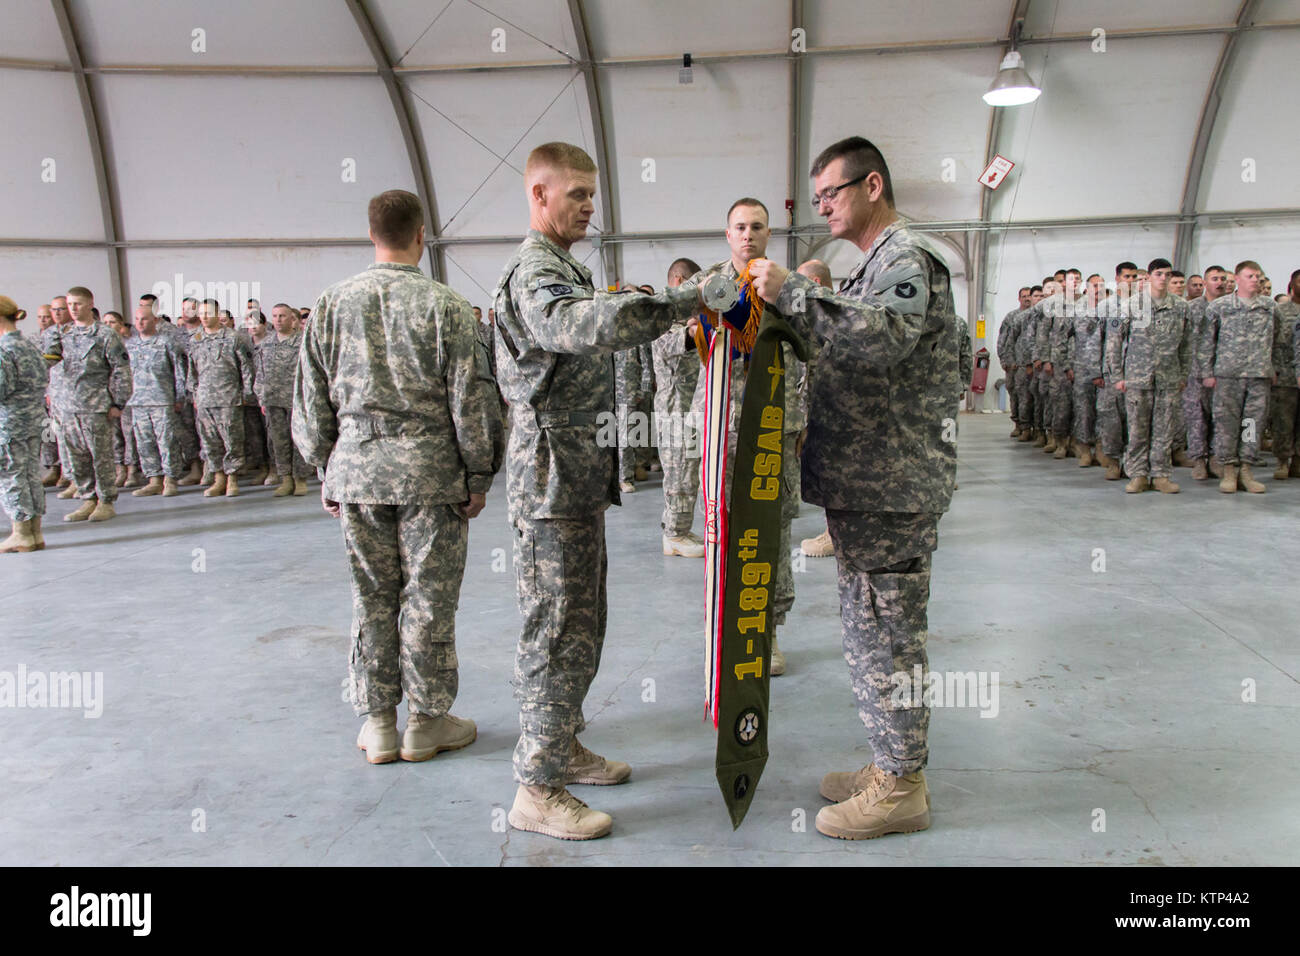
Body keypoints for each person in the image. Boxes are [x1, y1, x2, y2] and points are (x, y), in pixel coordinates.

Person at [493, 142, 708, 840]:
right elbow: (576, 326)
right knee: (555, 631)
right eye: (576, 194)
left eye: (592, 194)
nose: (589, 206)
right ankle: (537, 787)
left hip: (576, 478)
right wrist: (684, 299)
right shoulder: (536, 273)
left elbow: (595, 313)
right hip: (550, 480)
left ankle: (563, 746)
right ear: (538, 194)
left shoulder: (566, 268)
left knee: (582, 625)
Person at [749, 135, 958, 840]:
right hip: (871, 484)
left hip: (892, 484)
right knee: (872, 633)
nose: (824, 208)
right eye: (816, 201)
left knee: (889, 635)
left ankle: (902, 785)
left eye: (831, 194)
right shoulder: (872, 265)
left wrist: (797, 293)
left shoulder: (906, 259)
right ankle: (891, 761)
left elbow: (884, 339)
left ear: (872, 186)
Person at [295, 188, 504, 767]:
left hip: (358, 472)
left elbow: (310, 399)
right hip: (430, 477)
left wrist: (325, 468)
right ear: (421, 235)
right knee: (428, 599)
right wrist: (479, 472)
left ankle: (378, 723)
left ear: (371, 235)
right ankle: (427, 722)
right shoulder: (448, 308)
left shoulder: (331, 304)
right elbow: (473, 399)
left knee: (371, 596)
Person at [1200, 260, 1282, 493]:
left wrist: (1273, 368)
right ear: (1236, 279)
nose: (1255, 280)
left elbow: (1277, 341)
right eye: (1250, 276)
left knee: (1252, 424)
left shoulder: (1269, 307)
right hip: (1228, 375)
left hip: (1258, 375)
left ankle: (1246, 468)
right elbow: (1207, 342)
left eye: (1258, 276)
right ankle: (1228, 469)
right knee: (1227, 423)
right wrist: (1207, 373)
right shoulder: (1220, 307)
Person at [1109, 259, 1190, 493]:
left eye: (1167, 274)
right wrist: (1118, 376)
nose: (1163, 279)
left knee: (1164, 430)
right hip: (1137, 377)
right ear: (1151, 276)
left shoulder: (1181, 307)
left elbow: (1186, 345)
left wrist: (1183, 373)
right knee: (1137, 430)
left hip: (1168, 377)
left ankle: (1161, 475)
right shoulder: (1130, 305)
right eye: (1158, 274)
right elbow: (1114, 342)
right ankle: (1138, 474)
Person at [58, 287, 132, 522]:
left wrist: (119, 403)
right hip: (69, 406)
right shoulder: (64, 334)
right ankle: (87, 499)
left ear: (90, 304)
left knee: (101, 456)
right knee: (77, 457)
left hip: (97, 406)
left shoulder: (104, 335)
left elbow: (122, 370)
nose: (73, 308)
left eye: (78, 304)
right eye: (70, 304)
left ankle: (106, 501)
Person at [652, 256, 705, 558]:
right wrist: (692, 333)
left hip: (689, 408)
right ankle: (674, 534)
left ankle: (678, 527)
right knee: (680, 471)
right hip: (674, 409)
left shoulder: (687, 316)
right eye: (691, 285)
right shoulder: (663, 316)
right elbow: (668, 346)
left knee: (686, 469)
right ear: (677, 281)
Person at [189, 298, 253, 498]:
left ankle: (232, 478)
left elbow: (246, 368)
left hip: (228, 397)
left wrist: (247, 393)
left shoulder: (233, 338)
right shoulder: (195, 339)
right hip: (205, 399)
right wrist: (194, 393)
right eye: (202, 313)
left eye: (209, 313)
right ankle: (218, 478)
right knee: (210, 442)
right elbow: (191, 371)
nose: (205, 317)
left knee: (232, 440)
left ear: (218, 315)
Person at [0, 297, 50, 553]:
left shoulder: (3, 349)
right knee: (31, 475)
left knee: (12, 477)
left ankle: (21, 533)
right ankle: (34, 533)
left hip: (9, 423)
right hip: (32, 420)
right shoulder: (29, 345)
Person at [255, 304, 311, 497]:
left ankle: (300, 479)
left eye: (282, 316)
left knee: (298, 440)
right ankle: (285, 478)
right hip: (273, 400)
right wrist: (261, 397)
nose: (278, 320)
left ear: (291, 319)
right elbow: (260, 373)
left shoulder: (302, 343)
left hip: (296, 400)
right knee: (278, 441)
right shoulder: (266, 344)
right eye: (275, 316)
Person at [1272, 270, 1300, 478]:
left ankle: (1298, 461)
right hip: (1286, 375)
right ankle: (1282, 461)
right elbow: (1272, 342)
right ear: (1291, 284)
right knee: (1284, 421)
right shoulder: (1280, 310)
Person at [997, 286, 1032, 439]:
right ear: (1019, 299)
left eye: (1029, 296)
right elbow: (1003, 339)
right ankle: (1018, 424)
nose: (1027, 299)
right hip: (1014, 364)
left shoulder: (1034, 316)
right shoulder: (1012, 317)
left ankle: (1028, 427)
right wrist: (1004, 359)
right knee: (1015, 395)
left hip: (1028, 364)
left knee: (1028, 396)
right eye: (1023, 296)